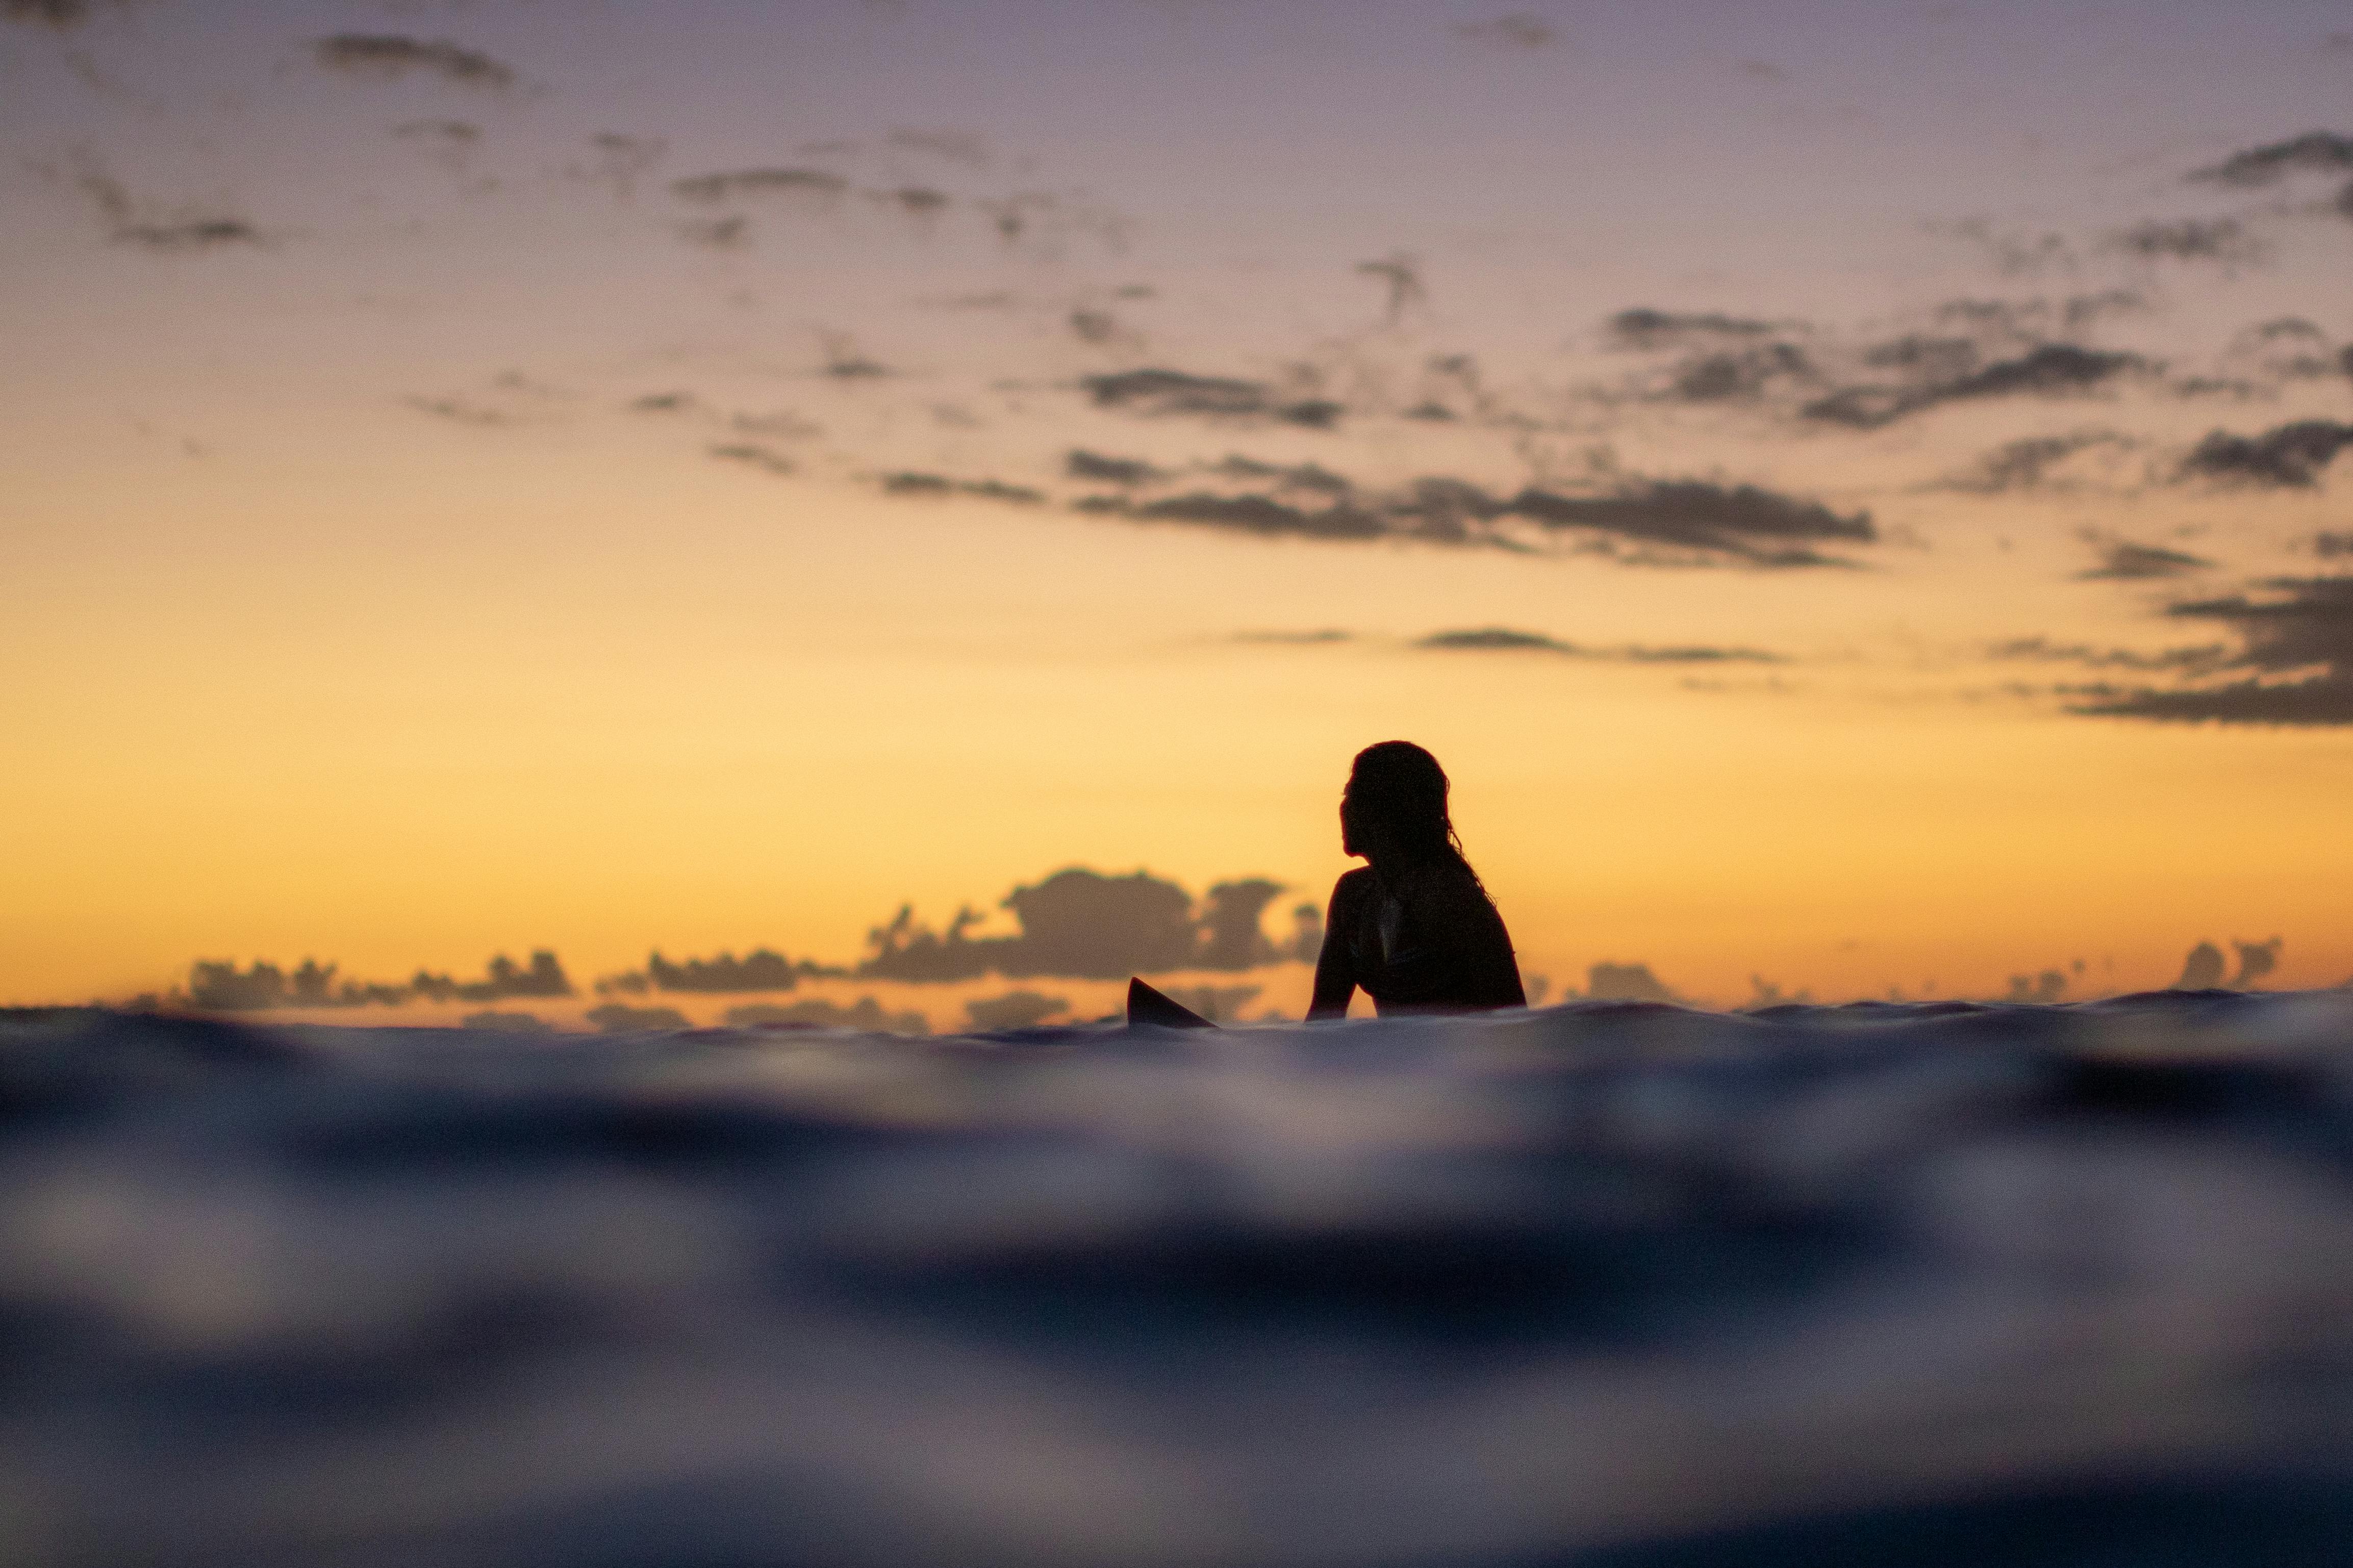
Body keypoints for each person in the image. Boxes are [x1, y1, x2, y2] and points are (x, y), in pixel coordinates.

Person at [1306, 741, 1526, 1019]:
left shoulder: (1452, 899)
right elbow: (1322, 1020)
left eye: (1351, 794)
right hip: (1394, 1062)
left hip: (1464, 1062)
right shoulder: (1354, 896)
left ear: (1383, 808)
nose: (1343, 808)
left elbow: (1515, 1022)